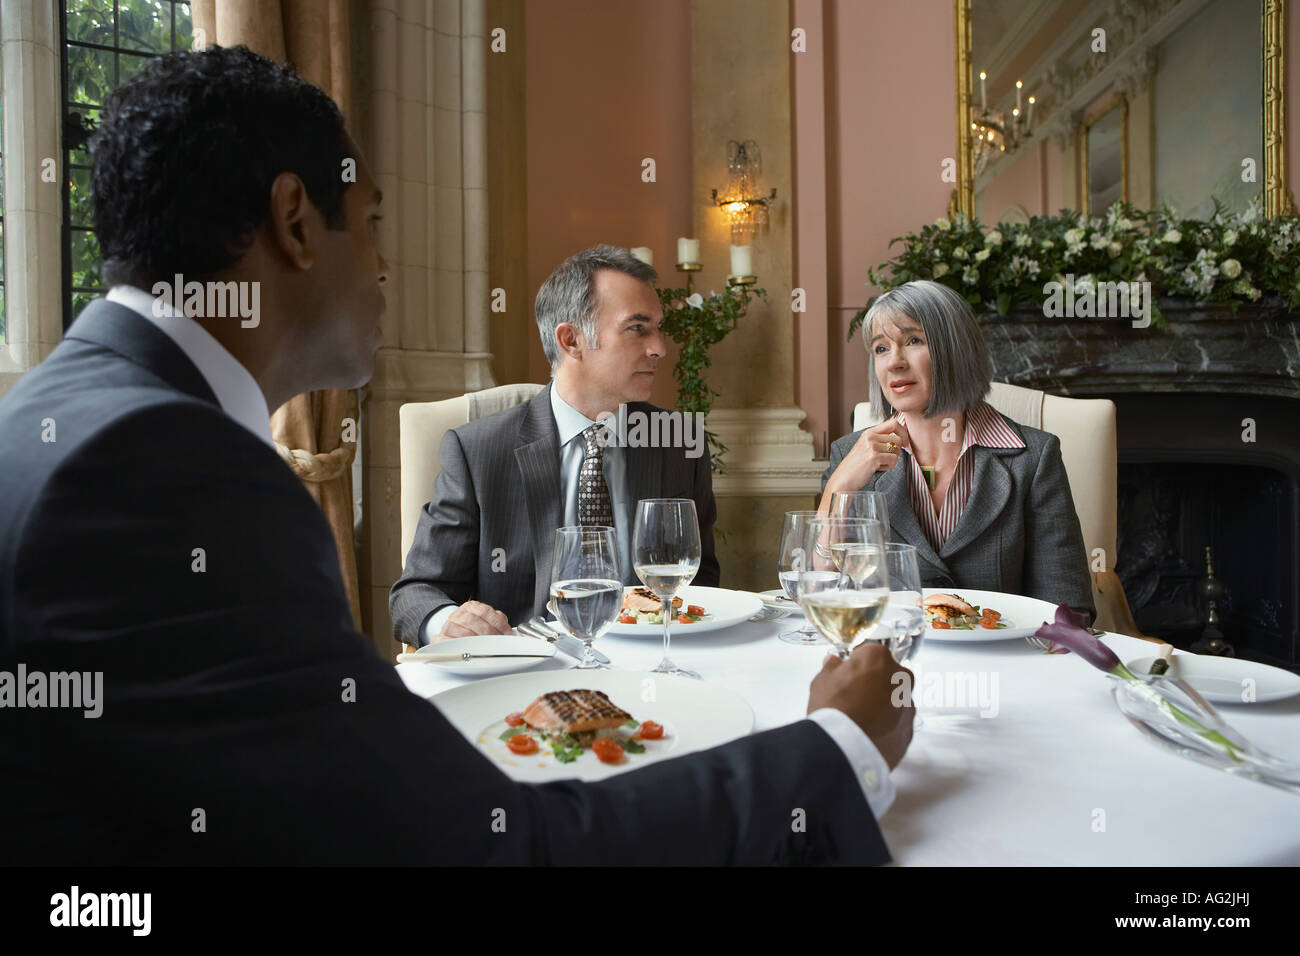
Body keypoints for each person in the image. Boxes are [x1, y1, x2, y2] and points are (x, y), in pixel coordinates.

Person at [0, 45, 912, 865]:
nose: (388, 269)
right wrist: (836, 746)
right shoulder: (161, 466)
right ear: (295, 221)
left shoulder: (93, 419)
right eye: (376, 222)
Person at [389, 246, 720, 645]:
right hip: (526, 674)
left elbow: (701, 583)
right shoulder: (478, 452)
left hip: (649, 671)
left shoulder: (678, 445)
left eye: (657, 328)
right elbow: (414, 594)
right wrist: (448, 622)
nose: (659, 348)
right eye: (637, 328)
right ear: (571, 340)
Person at [822, 279, 1095, 623]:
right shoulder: (849, 454)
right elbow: (821, 592)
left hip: (1003, 663)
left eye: (914, 340)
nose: (894, 363)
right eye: (880, 348)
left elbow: (1066, 610)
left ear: (956, 349)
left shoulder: (1035, 458)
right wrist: (838, 488)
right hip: (892, 663)